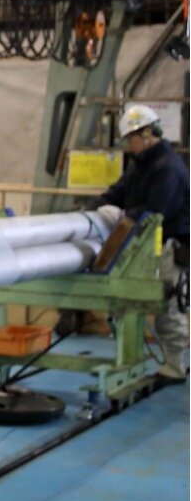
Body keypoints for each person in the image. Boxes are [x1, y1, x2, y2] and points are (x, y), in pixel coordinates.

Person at [94, 104, 189, 384]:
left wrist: (122, 216)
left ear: (147, 134)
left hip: (170, 246)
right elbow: (119, 191)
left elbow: (156, 211)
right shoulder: (141, 164)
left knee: (167, 307)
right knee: (131, 300)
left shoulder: (167, 168)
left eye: (130, 139)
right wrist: (92, 209)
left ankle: (175, 367)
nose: (128, 145)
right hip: (146, 245)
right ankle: (136, 359)